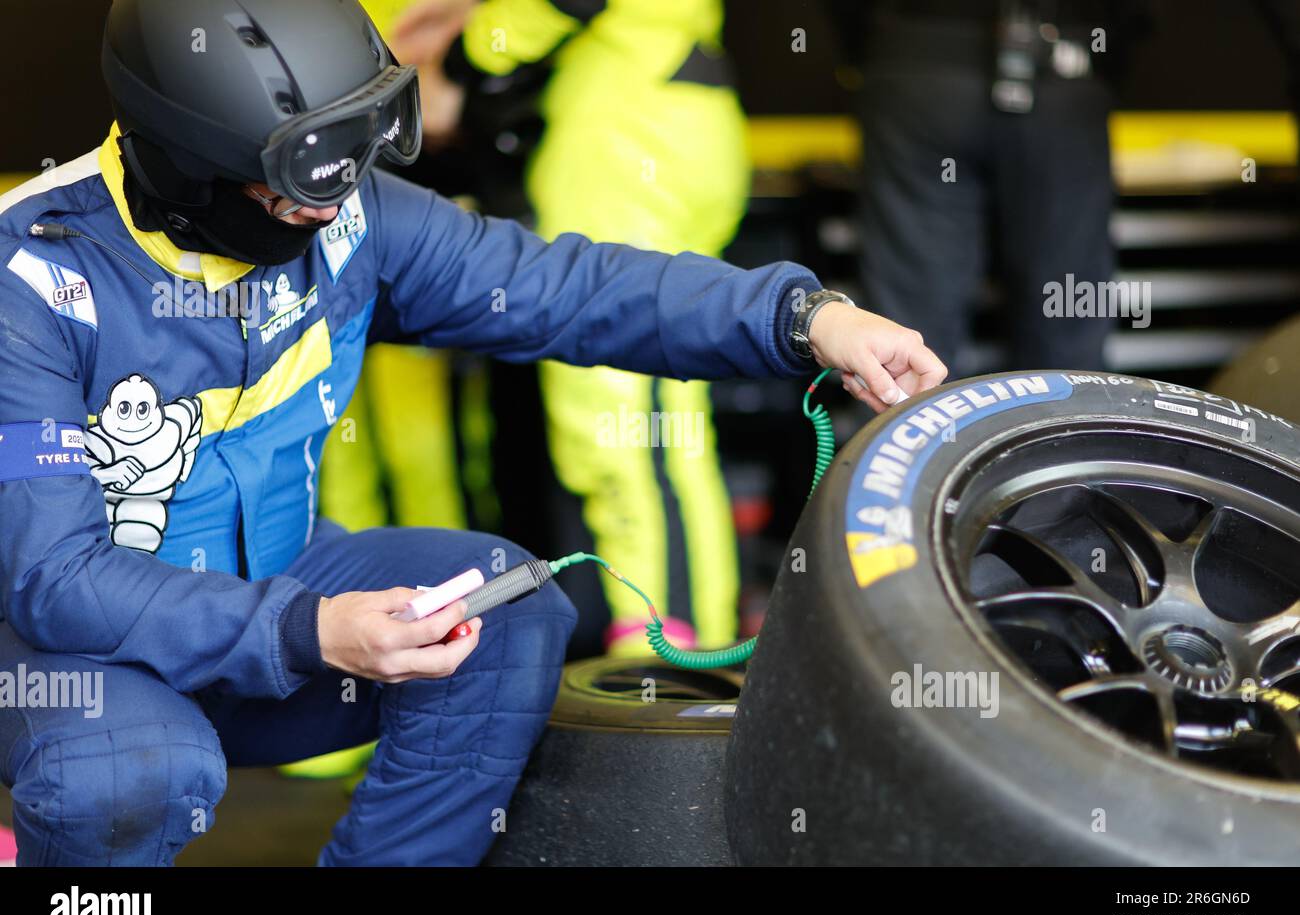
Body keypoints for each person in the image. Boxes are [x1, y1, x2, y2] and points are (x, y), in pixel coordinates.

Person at [0, 0, 944, 866]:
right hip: (76, 655)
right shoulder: (28, 278)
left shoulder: (351, 216)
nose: (328, 210)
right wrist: (310, 630)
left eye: (345, 171)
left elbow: (566, 289)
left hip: (274, 607)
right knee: (126, 778)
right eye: (290, 189)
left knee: (504, 613)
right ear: (181, 163)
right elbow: (57, 583)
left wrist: (802, 320)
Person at [394, 0, 754, 656]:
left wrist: (464, 55)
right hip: (671, 113)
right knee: (656, 415)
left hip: (625, 139)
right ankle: (679, 645)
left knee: (623, 423)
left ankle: (667, 659)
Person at [828, 0, 1147, 378]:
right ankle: (1070, 434)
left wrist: (886, 46)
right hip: (1064, 65)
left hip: (919, 63)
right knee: (1067, 344)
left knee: (904, 353)